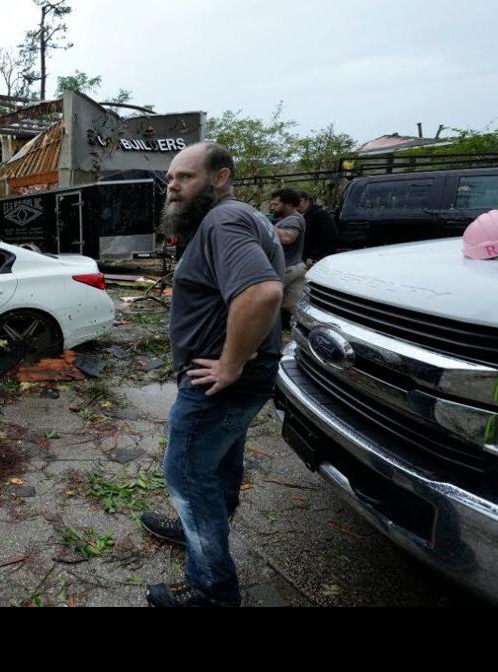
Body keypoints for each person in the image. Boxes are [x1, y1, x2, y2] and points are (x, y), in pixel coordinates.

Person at [144, 142, 285, 607]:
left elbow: (262, 293)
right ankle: (198, 532)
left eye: (185, 177)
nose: (173, 187)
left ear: (220, 177)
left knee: (185, 474)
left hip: (219, 383)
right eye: (170, 179)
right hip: (239, 381)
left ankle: (213, 590)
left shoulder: (223, 220)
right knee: (219, 465)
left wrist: (231, 362)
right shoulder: (246, 218)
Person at [269, 188, 307, 330]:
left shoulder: (293, 219)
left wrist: (264, 225)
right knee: (294, 307)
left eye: (276, 204)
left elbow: (288, 237)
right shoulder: (293, 218)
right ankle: (310, 332)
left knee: (266, 302)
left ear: (289, 204)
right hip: (296, 267)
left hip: (285, 268)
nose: (273, 207)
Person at [299, 191, 338, 267]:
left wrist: (314, 256)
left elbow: (327, 237)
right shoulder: (301, 216)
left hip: (317, 259)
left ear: (304, 201)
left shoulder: (320, 214)